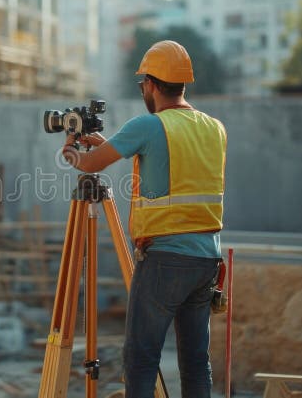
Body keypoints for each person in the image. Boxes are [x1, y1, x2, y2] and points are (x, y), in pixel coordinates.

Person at [60, 40, 227, 398]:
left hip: (166, 260)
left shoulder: (149, 126)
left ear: (151, 84)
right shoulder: (213, 128)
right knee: (196, 362)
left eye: (142, 86)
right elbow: (167, 163)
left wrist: (71, 151)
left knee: (140, 359)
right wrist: (109, 144)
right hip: (207, 260)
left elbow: (90, 164)